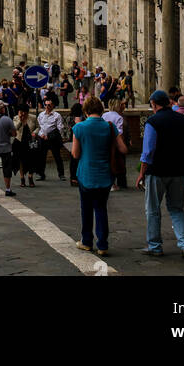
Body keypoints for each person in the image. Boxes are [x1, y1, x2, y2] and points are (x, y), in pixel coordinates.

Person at [136, 89, 184, 259]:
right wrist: (183, 158)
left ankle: (155, 246)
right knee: (177, 208)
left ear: (154, 104)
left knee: (153, 209)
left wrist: (141, 173)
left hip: (157, 171)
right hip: (180, 170)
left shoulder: (152, 122)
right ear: (169, 102)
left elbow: (147, 152)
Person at [72, 95, 126, 255]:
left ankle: (87, 241)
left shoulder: (79, 127)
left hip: (86, 174)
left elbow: (75, 154)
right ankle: (103, 245)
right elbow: (123, 149)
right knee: (101, 209)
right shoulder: (109, 127)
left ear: (86, 110)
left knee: (86, 208)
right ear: (101, 109)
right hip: (105, 174)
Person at [36, 95, 66, 180]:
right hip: (43, 139)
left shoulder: (57, 115)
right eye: (46, 105)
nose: (47, 107)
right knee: (42, 157)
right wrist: (41, 134)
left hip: (53, 140)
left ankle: (61, 174)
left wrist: (51, 136)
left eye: (49, 105)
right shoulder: (41, 115)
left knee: (57, 157)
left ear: (53, 105)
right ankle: (41, 174)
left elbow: (60, 128)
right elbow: (39, 126)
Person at [13, 104, 39, 188]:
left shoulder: (33, 118)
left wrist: (34, 132)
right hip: (19, 141)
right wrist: (21, 120)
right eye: (21, 112)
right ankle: (22, 178)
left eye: (25, 112)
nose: (23, 114)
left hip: (30, 141)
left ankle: (30, 177)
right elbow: (14, 128)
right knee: (20, 160)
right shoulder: (16, 118)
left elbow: (38, 127)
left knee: (31, 159)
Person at [103, 98, 128, 188]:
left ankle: (110, 182)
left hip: (105, 142)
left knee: (108, 162)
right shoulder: (118, 117)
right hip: (116, 142)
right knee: (119, 162)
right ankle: (121, 183)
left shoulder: (104, 115)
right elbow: (119, 132)